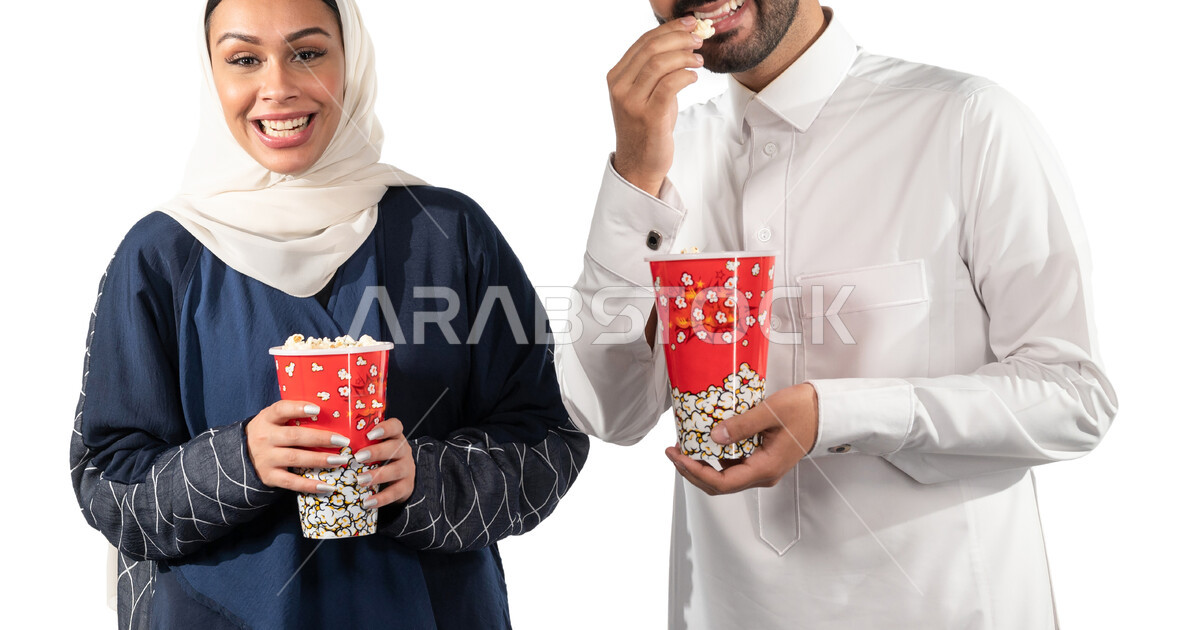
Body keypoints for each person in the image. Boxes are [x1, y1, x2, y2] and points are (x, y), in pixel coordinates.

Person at [555, 1, 1117, 628]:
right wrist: (632, 177)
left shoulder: (967, 121)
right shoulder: (663, 154)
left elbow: (1074, 397)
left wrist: (838, 415)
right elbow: (610, 411)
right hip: (724, 608)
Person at [68, 0, 588, 628]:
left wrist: (420, 477)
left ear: (352, 61)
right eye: (244, 59)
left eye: (308, 53)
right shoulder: (162, 253)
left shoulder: (447, 234)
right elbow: (105, 481)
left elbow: (550, 436)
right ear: (212, 75)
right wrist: (243, 461)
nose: (278, 87)